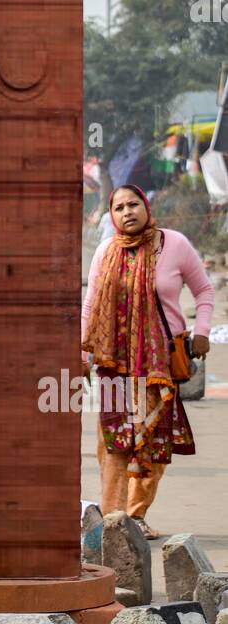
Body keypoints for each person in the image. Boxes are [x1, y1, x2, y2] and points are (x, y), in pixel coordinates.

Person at [82, 182, 213, 538]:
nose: (128, 212)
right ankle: (114, 518)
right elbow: (91, 305)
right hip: (113, 361)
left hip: (159, 364)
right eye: (120, 207)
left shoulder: (174, 244)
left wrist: (202, 330)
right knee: (114, 440)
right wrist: (81, 352)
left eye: (133, 203)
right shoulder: (105, 252)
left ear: (146, 205)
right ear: (112, 215)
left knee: (152, 438)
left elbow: (204, 289)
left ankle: (136, 515)